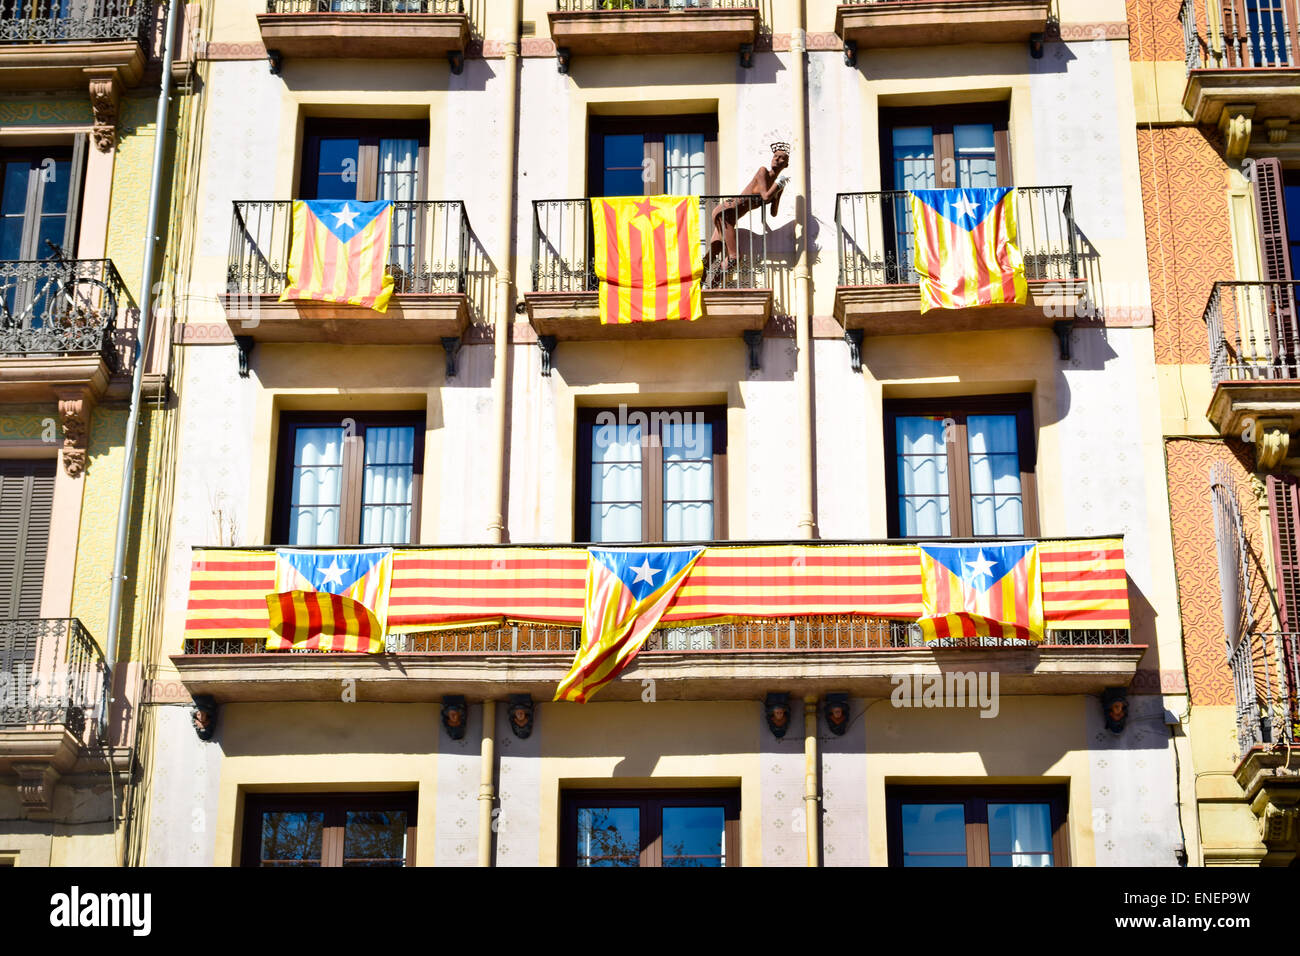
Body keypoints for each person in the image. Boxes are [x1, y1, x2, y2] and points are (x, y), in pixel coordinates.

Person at [704, 142, 790, 287]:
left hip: (729, 218)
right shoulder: (762, 172)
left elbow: (774, 212)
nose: (776, 159)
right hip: (726, 212)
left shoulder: (777, 186)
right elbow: (765, 197)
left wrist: (778, 191)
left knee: (714, 250)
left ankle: (700, 281)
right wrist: (778, 186)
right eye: (775, 156)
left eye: (781, 158)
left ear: (786, 164)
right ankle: (711, 285)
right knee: (734, 257)